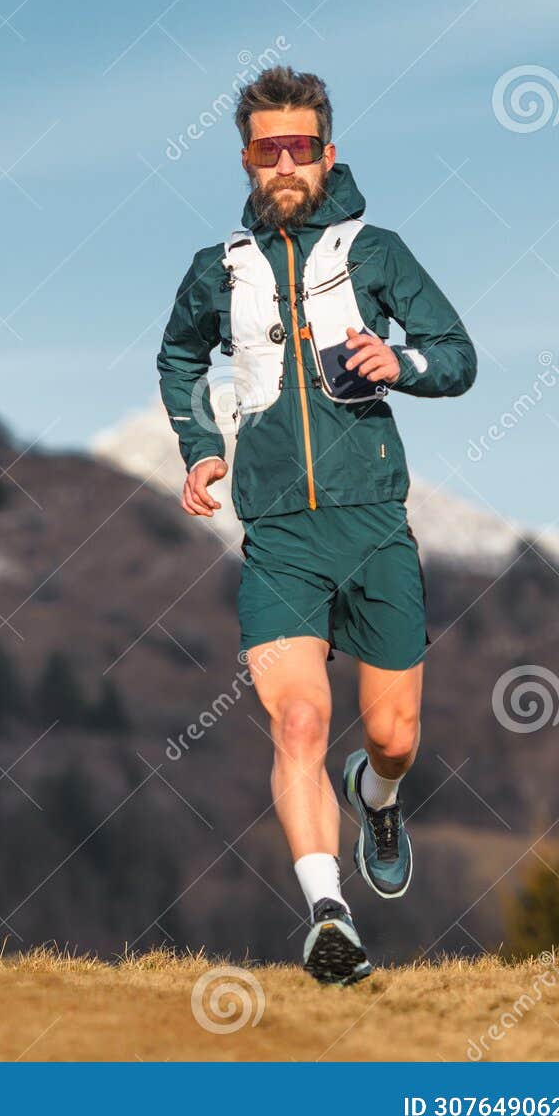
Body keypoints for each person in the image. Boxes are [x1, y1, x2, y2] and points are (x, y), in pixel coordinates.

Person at [155, 66, 476, 985]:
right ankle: (329, 916)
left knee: (395, 737)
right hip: (278, 537)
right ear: (248, 160)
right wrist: (200, 446)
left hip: (374, 524)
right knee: (298, 721)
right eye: (268, 148)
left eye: (301, 146)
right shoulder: (219, 269)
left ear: (328, 153)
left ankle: (377, 797)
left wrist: (399, 358)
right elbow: (179, 359)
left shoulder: (376, 252)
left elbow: (459, 356)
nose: (285, 162)